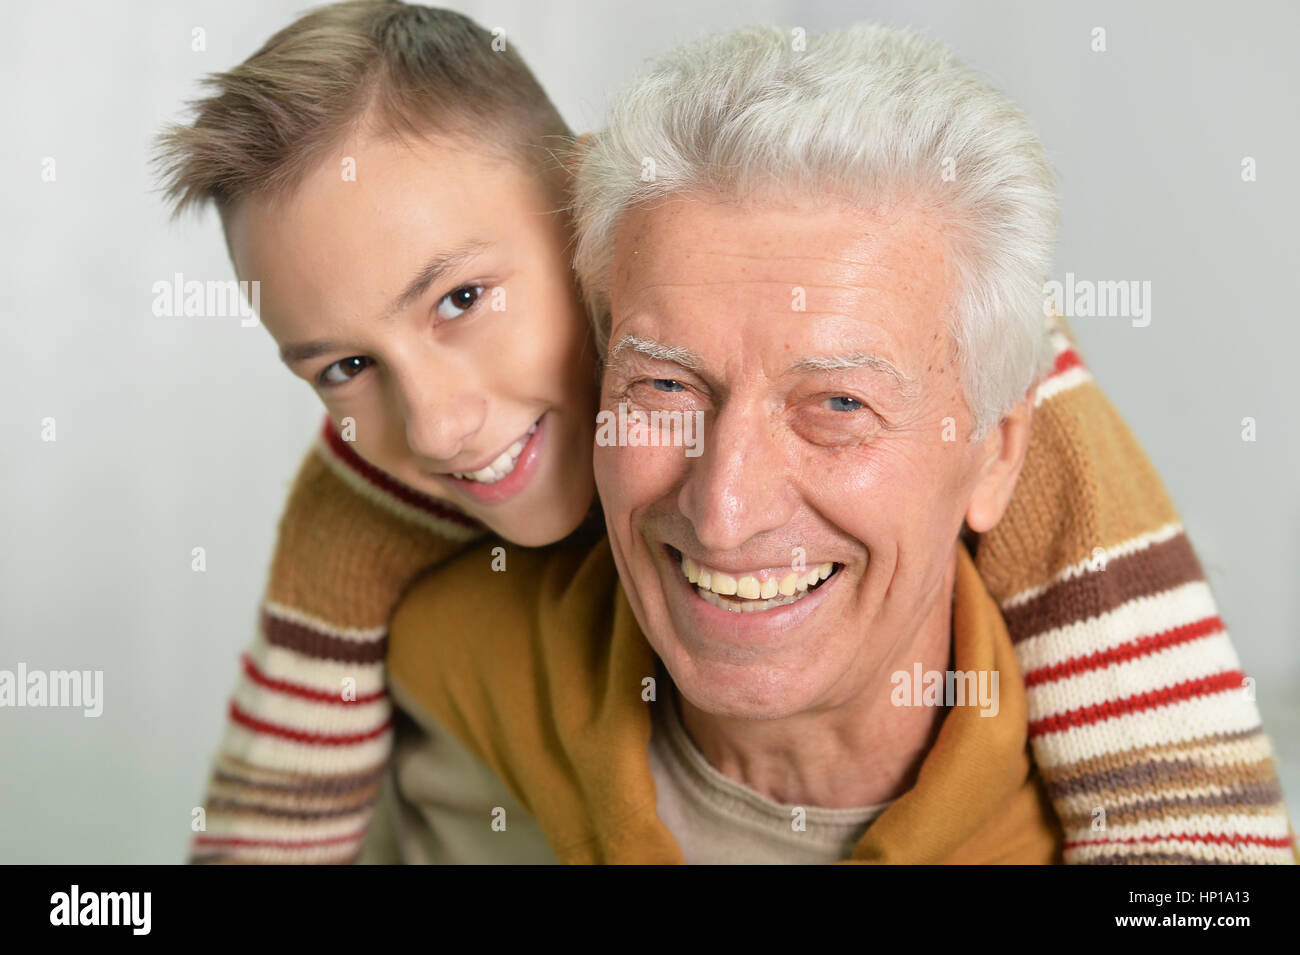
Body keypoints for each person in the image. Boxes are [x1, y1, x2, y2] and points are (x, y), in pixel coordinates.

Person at [374, 22, 1298, 864]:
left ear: (1000, 448)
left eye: (839, 403)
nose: (725, 510)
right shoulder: (436, 687)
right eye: (663, 384)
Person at [154, 0, 600, 862]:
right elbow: (263, 837)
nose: (435, 428)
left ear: (589, 196)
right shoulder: (360, 505)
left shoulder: (740, 310)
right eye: (345, 370)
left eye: (460, 300)